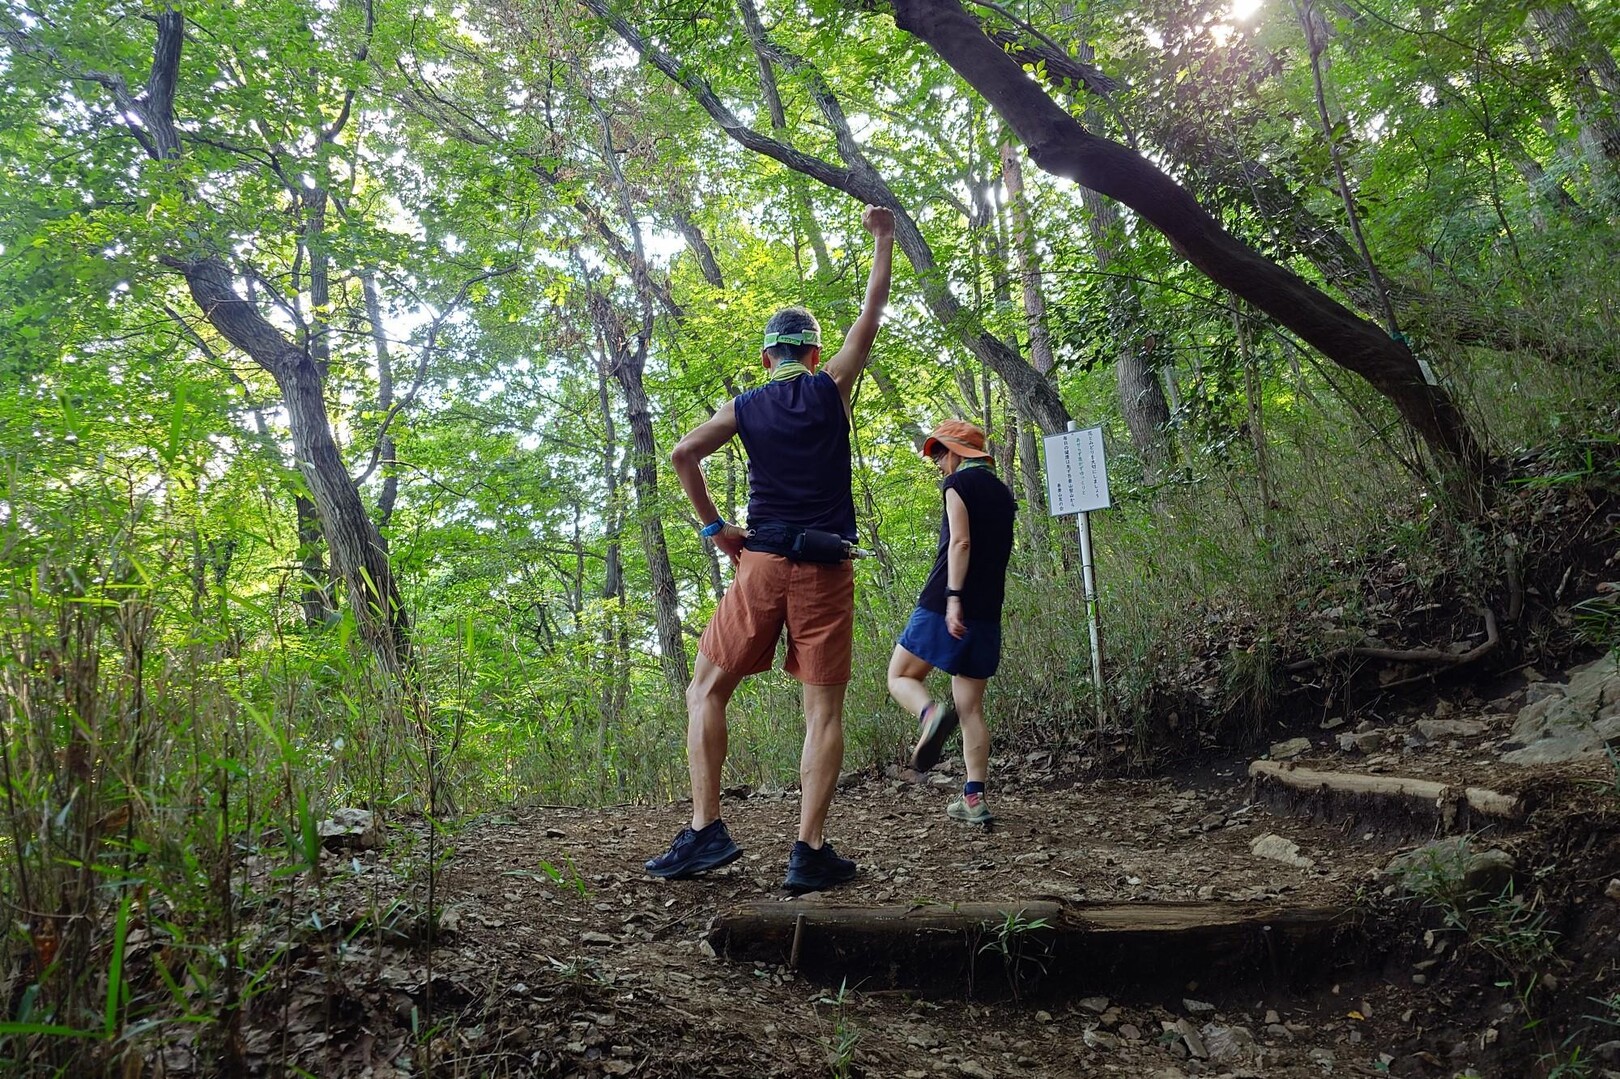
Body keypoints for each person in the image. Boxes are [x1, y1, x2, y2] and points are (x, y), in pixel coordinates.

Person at [645, 204, 895, 892]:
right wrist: (883, 237)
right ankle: (807, 851)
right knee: (824, 711)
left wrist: (714, 527)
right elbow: (872, 310)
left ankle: (705, 830)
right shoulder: (830, 386)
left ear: (766, 356)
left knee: (707, 686)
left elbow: (682, 453)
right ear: (814, 354)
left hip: (758, 563)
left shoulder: (746, 405)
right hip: (823, 566)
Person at [888, 419, 1016, 824]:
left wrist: (953, 599)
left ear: (958, 451)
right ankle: (974, 798)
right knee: (971, 707)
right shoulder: (1003, 494)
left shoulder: (957, 486)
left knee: (900, 676)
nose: (939, 463)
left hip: (947, 599)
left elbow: (961, 541)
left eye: (940, 453)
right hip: (988, 608)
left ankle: (929, 715)